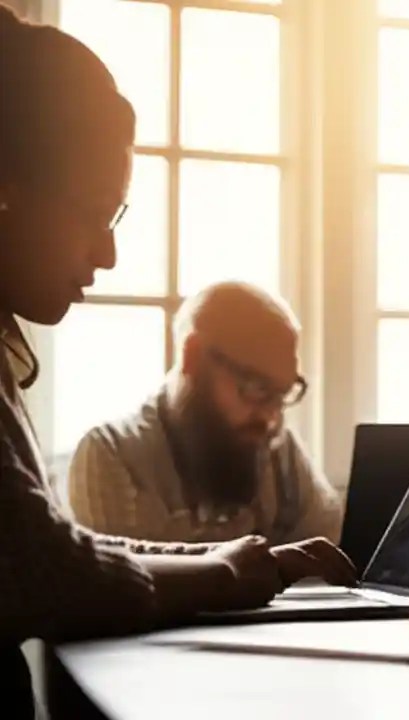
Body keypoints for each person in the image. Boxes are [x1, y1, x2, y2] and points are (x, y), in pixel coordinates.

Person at [0, 10, 353, 715]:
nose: (107, 255)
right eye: (95, 212)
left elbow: (50, 552)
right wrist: (226, 573)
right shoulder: (112, 449)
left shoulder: (278, 454)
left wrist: (249, 562)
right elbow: (46, 572)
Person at [67, 281, 343, 545]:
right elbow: (130, 586)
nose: (271, 420)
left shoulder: (280, 453)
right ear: (193, 357)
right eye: (257, 389)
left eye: (282, 395)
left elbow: (333, 553)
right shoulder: (112, 456)